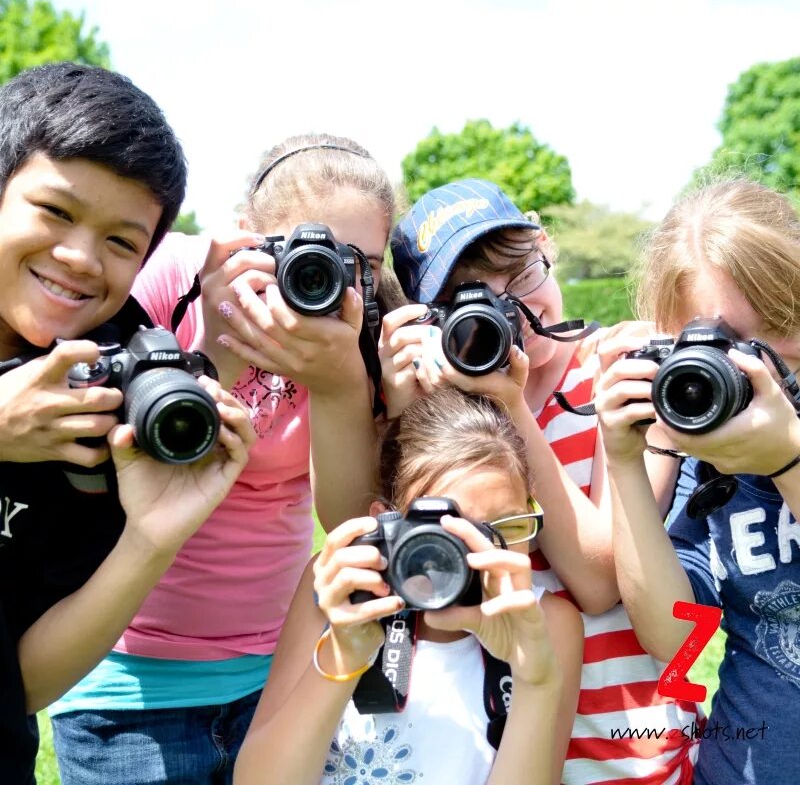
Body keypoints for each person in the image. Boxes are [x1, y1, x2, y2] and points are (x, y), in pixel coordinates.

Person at [50, 134, 398, 784]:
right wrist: (218, 343)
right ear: (242, 238)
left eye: (359, 262)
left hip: (275, 675)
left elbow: (349, 517)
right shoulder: (172, 277)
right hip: (130, 684)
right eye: (300, 252)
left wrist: (339, 382)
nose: (326, 280)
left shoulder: (363, 330)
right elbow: (110, 451)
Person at [385, 178, 701, 783]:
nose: (514, 311)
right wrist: (399, 408)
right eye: (475, 298)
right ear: (430, 320)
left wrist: (512, 407)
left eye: (523, 275)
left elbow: (600, 581)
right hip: (497, 755)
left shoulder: (621, 378)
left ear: (546, 248)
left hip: (631, 751)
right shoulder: (447, 413)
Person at [0, 62, 255, 785]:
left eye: (121, 241)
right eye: (54, 211)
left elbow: (26, 681)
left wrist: (149, 538)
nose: (80, 259)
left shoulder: (106, 397)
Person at [234, 387, 584, 785]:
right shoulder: (343, 594)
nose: (474, 555)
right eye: (446, 535)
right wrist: (344, 653)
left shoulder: (545, 625)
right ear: (386, 526)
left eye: (505, 528)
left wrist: (535, 680)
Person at [593, 178, 800, 785]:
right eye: (722, 345)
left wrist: (787, 459)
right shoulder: (706, 460)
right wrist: (628, 461)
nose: (753, 367)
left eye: (777, 328)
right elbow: (673, 637)